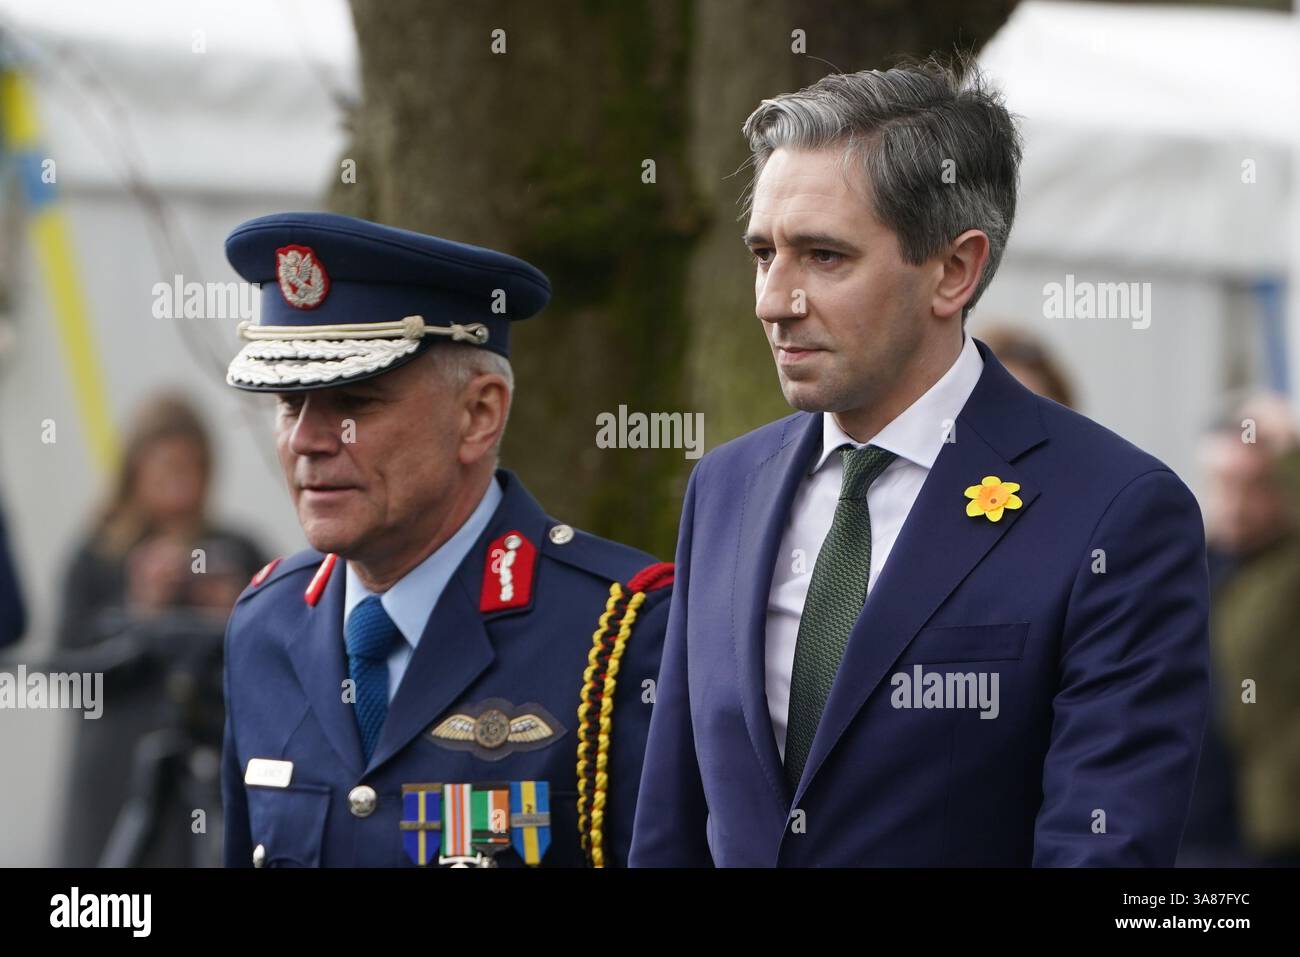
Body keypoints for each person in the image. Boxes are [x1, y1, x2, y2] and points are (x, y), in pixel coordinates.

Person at [629, 59, 1210, 867]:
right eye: (764, 253)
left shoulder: (1114, 512)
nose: (773, 299)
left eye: (823, 256)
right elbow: (671, 827)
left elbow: (1102, 850)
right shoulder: (725, 486)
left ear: (954, 270)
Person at [219, 212, 670, 868]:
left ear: (479, 414)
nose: (308, 440)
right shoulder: (264, 626)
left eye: (353, 401)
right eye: (290, 402)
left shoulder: (620, 636)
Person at [54, 393, 265, 867]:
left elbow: (284, 663)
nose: (181, 486)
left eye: (192, 469)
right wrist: (137, 609)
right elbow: (65, 674)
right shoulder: (99, 557)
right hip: (118, 785)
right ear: (136, 472)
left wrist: (238, 615)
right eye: (166, 468)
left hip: (214, 779)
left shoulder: (238, 549)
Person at [1195, 394, 1300, 866]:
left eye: (1254, 485)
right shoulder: (1197, 563)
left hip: (1272, 827)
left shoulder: (1287, 566)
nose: (1234, 504)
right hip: (1196, 826)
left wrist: (1290, 450)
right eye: (1223, 483)